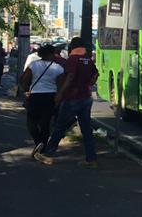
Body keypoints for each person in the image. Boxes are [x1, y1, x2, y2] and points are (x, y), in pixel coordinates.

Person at [34, 36, 99, 167]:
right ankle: (91, 159)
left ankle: (48, 155)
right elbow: (95, 74)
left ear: (72, 47)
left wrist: (60, 93)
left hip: (72, 98)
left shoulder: (73, 59)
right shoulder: (88, 59)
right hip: (86, 97)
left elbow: (69, 77)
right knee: (86, 129)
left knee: (59, 127)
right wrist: (88, 84)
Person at [21, 43, 64, 155]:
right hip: (50, 97)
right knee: (45, 123)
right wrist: (58, 97)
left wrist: (26, 90)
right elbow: (60, 85)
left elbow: (24, 80)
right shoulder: (58, 68)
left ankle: (38, 142)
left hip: (35, 96)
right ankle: (43, 147)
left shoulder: (34, 65)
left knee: (31, 122)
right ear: (52, 54)